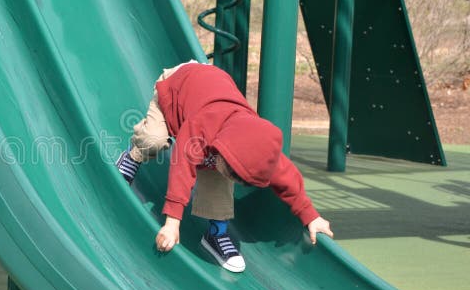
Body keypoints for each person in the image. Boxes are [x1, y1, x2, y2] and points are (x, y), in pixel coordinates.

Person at [116, 61, 333, 273]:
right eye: (235, 175)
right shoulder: (201, 128)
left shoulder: (257, 144)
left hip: (214, 96)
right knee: (153, 139)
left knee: (218, 176)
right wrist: (172, 223)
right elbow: (182, 168)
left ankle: (216, 234)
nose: (237, 181)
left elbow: (288, 178)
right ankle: (133, 156)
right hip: (177, 86)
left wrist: (311, 216)